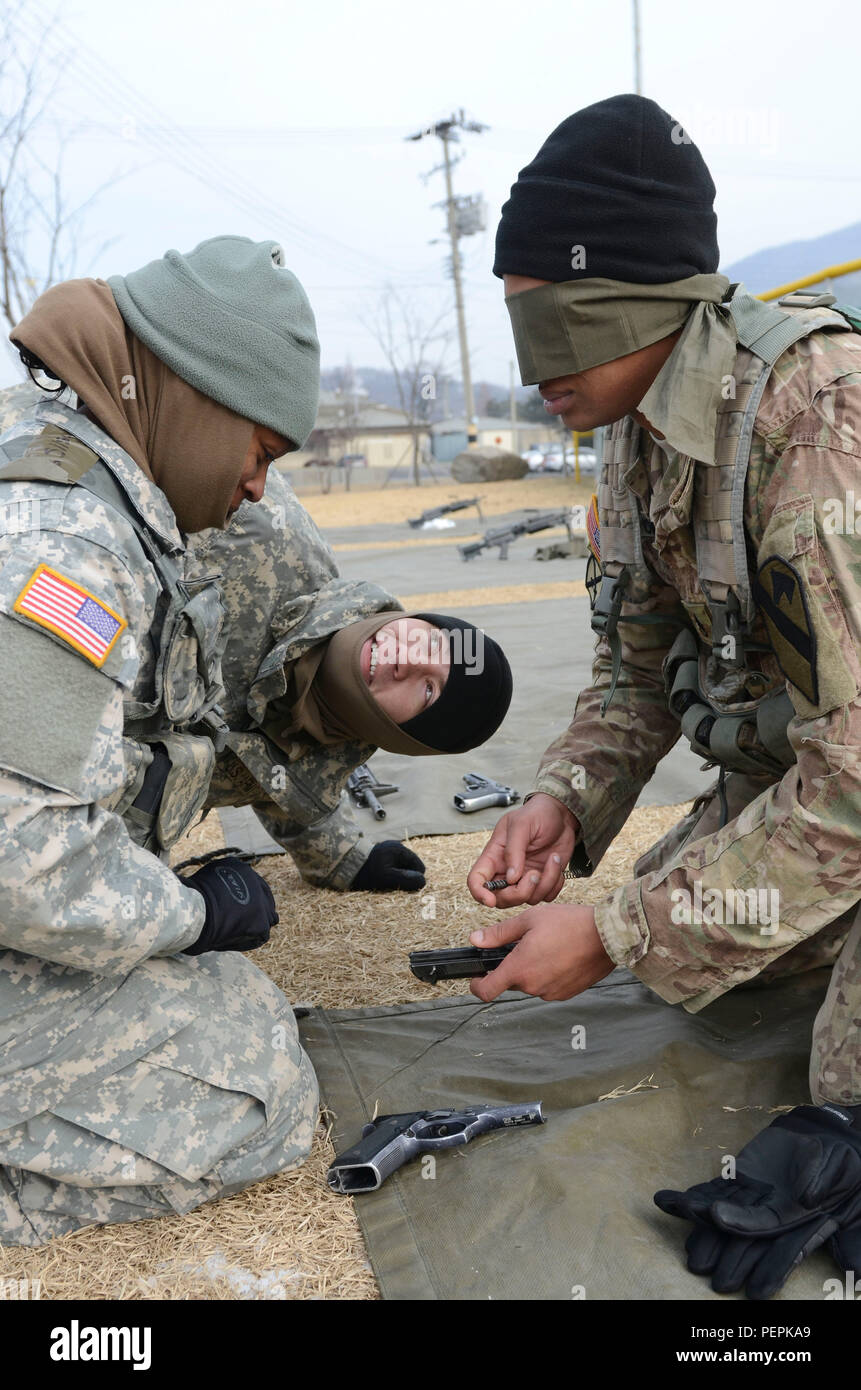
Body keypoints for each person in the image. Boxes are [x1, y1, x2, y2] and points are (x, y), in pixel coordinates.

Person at [465, 94, 861, 1295]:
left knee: (841, 1088)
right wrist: (565, 803)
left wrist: (620, 931)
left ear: (635, 300)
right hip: (812, 785)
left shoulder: (812, 413)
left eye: (547, 321)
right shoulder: (638, 433)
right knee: (712, 949)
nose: (530, 368)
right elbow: (636, 671)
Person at [0, 236, 326, 1247]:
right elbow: (22, 855)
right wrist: (189, 915)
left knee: (232, 1005)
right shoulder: (67, 541)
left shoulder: (64, 464)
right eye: (259, 451)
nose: (259, 487)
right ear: (197, 398)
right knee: (255, 1092)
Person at [191, 466, 513, 893]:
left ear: (402, 736)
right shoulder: (260, 531)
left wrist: (344, 857)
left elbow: (278, 769)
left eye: (428, 690)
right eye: (432, 642)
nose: (406, 660)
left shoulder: (329, 735)